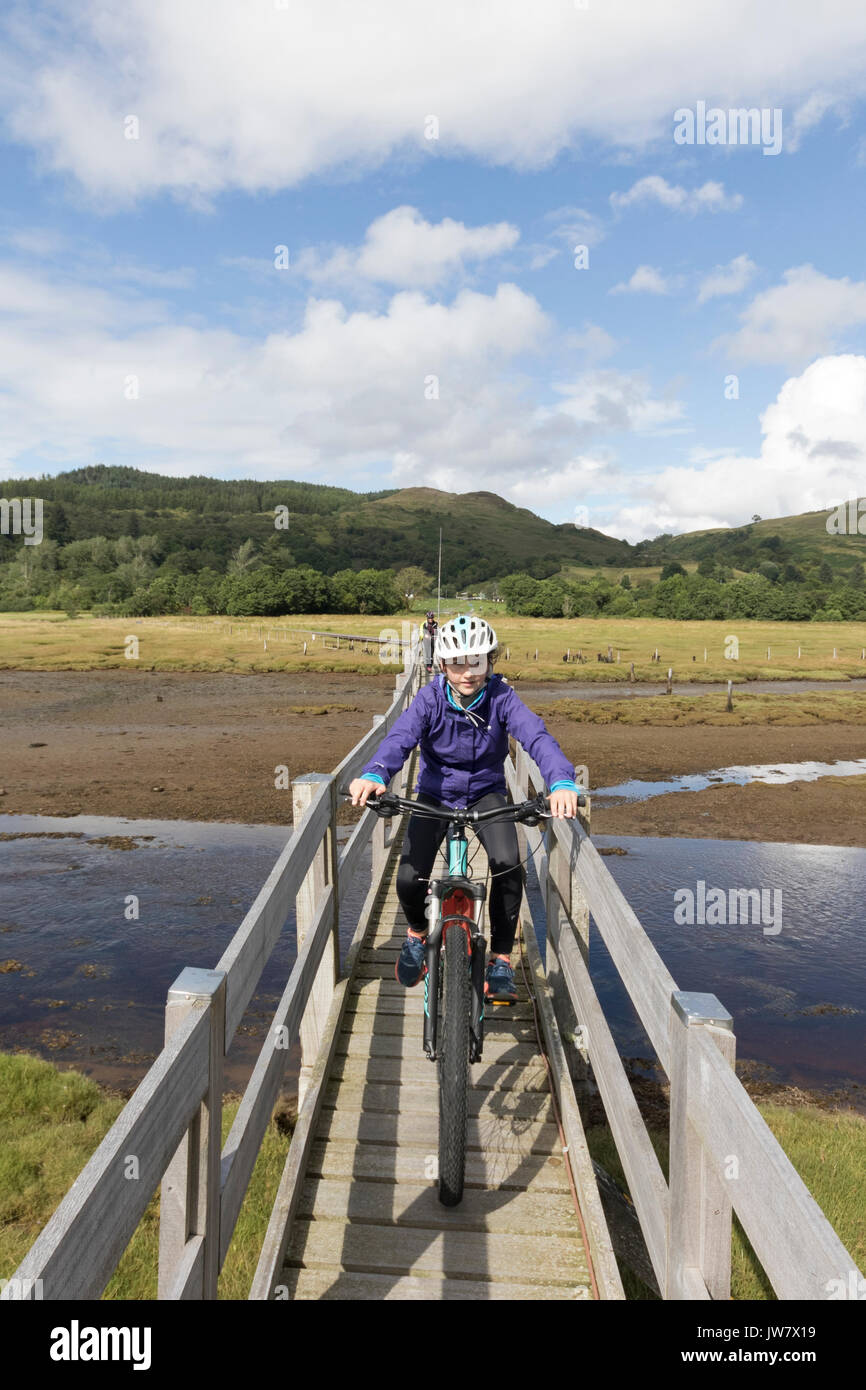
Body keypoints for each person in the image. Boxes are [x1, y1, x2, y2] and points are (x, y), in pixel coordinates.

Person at [348, 615, 580, 1003]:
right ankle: (417, 933)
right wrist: (376, 772)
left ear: (489, 661)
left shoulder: (502, 697)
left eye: (476, 661)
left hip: (487, 793)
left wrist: (560, 780)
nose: (467, 672)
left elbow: (536, 736)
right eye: (457, 663)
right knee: (408, 876)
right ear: (442, 665)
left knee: (508, 864)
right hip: (435, 793)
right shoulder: (430, 699)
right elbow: (401, 736)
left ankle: (501, 959)